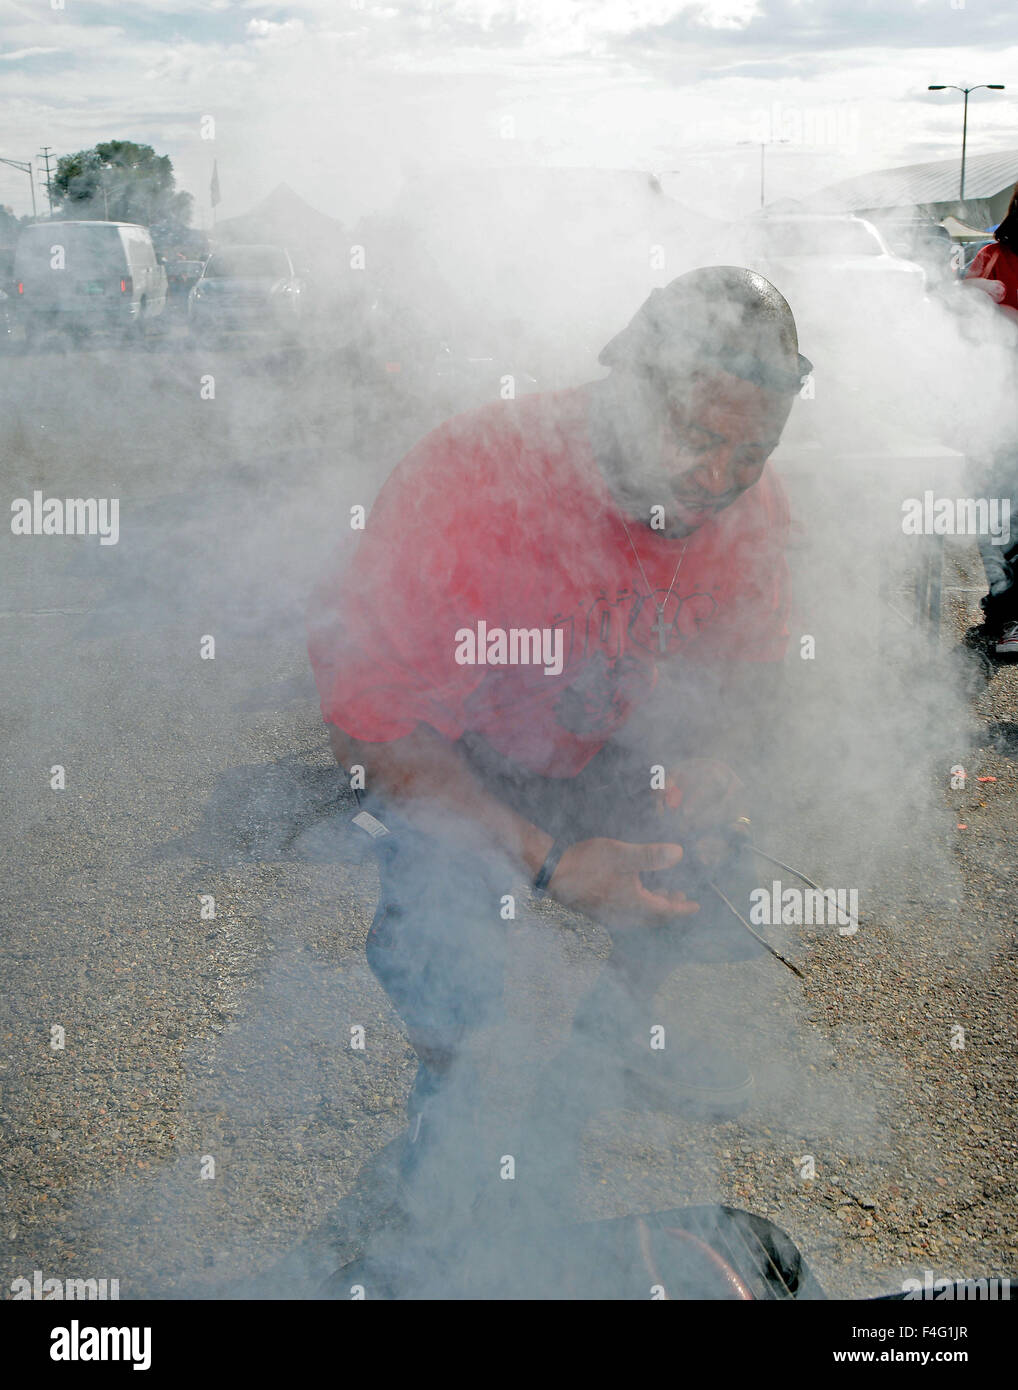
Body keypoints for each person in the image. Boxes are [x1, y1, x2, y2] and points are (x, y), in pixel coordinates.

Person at [308, 266, 811, 1252]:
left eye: (748, 454)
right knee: (448, 915)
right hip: (452, 753)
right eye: (696, 439)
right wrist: (546, 861)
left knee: (709, 863)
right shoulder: (472, 474)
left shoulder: (751, 510)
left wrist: (714, 763)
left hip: (597, 740)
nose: (717, 481)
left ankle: (614, 1041)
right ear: (625, 388)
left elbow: (749, 671)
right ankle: (443, 1103)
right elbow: (369, 723)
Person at [964, 184, 1018, 656]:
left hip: (998, 403)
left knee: (997, 511)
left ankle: (1006, 617)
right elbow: (958, 307)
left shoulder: (993, 255)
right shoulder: (991, 256)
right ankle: (1006, 617)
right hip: (998, 400)